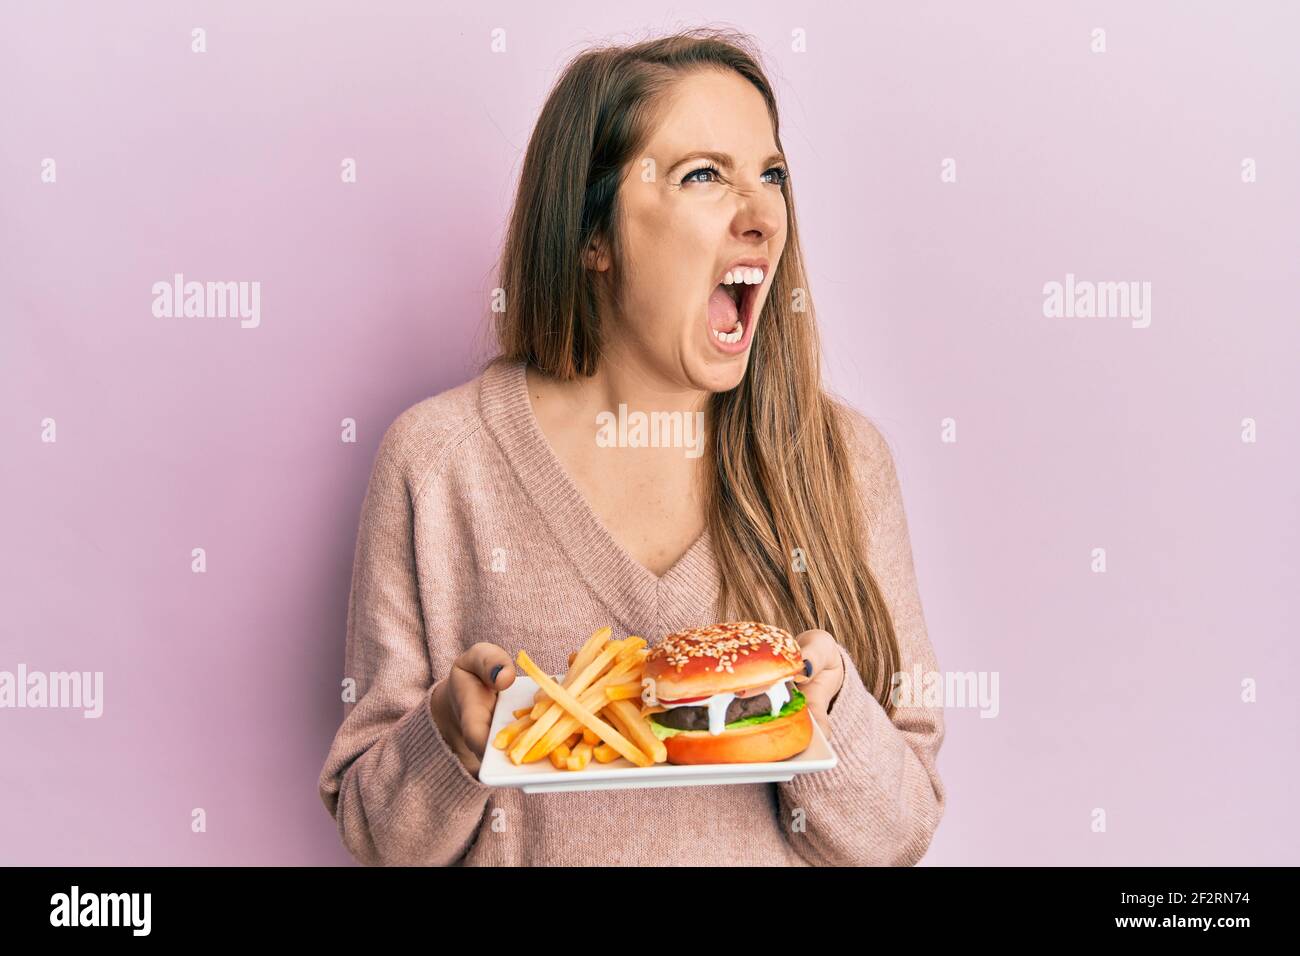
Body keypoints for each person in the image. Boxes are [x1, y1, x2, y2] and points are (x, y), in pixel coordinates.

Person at [318, 28, 946, 866]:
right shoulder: (438, 462)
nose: (760, 215)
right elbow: (376, 831)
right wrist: (448, 737)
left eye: (772, 176)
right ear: (593, 239)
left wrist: (830, 708)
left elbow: (902, 833)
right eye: (703, 176)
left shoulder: (843, 462)